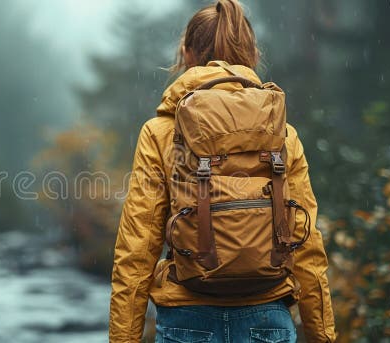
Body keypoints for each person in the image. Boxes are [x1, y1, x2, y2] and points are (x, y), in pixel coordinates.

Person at [108, 1, 336, 342]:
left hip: (187, 316)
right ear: (251, 54)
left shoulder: (159, 132)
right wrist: (322, 337)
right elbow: (307, 245)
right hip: (267, 316)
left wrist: (123, 338)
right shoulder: (282, 134)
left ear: (187, 54)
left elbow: (137, 249)